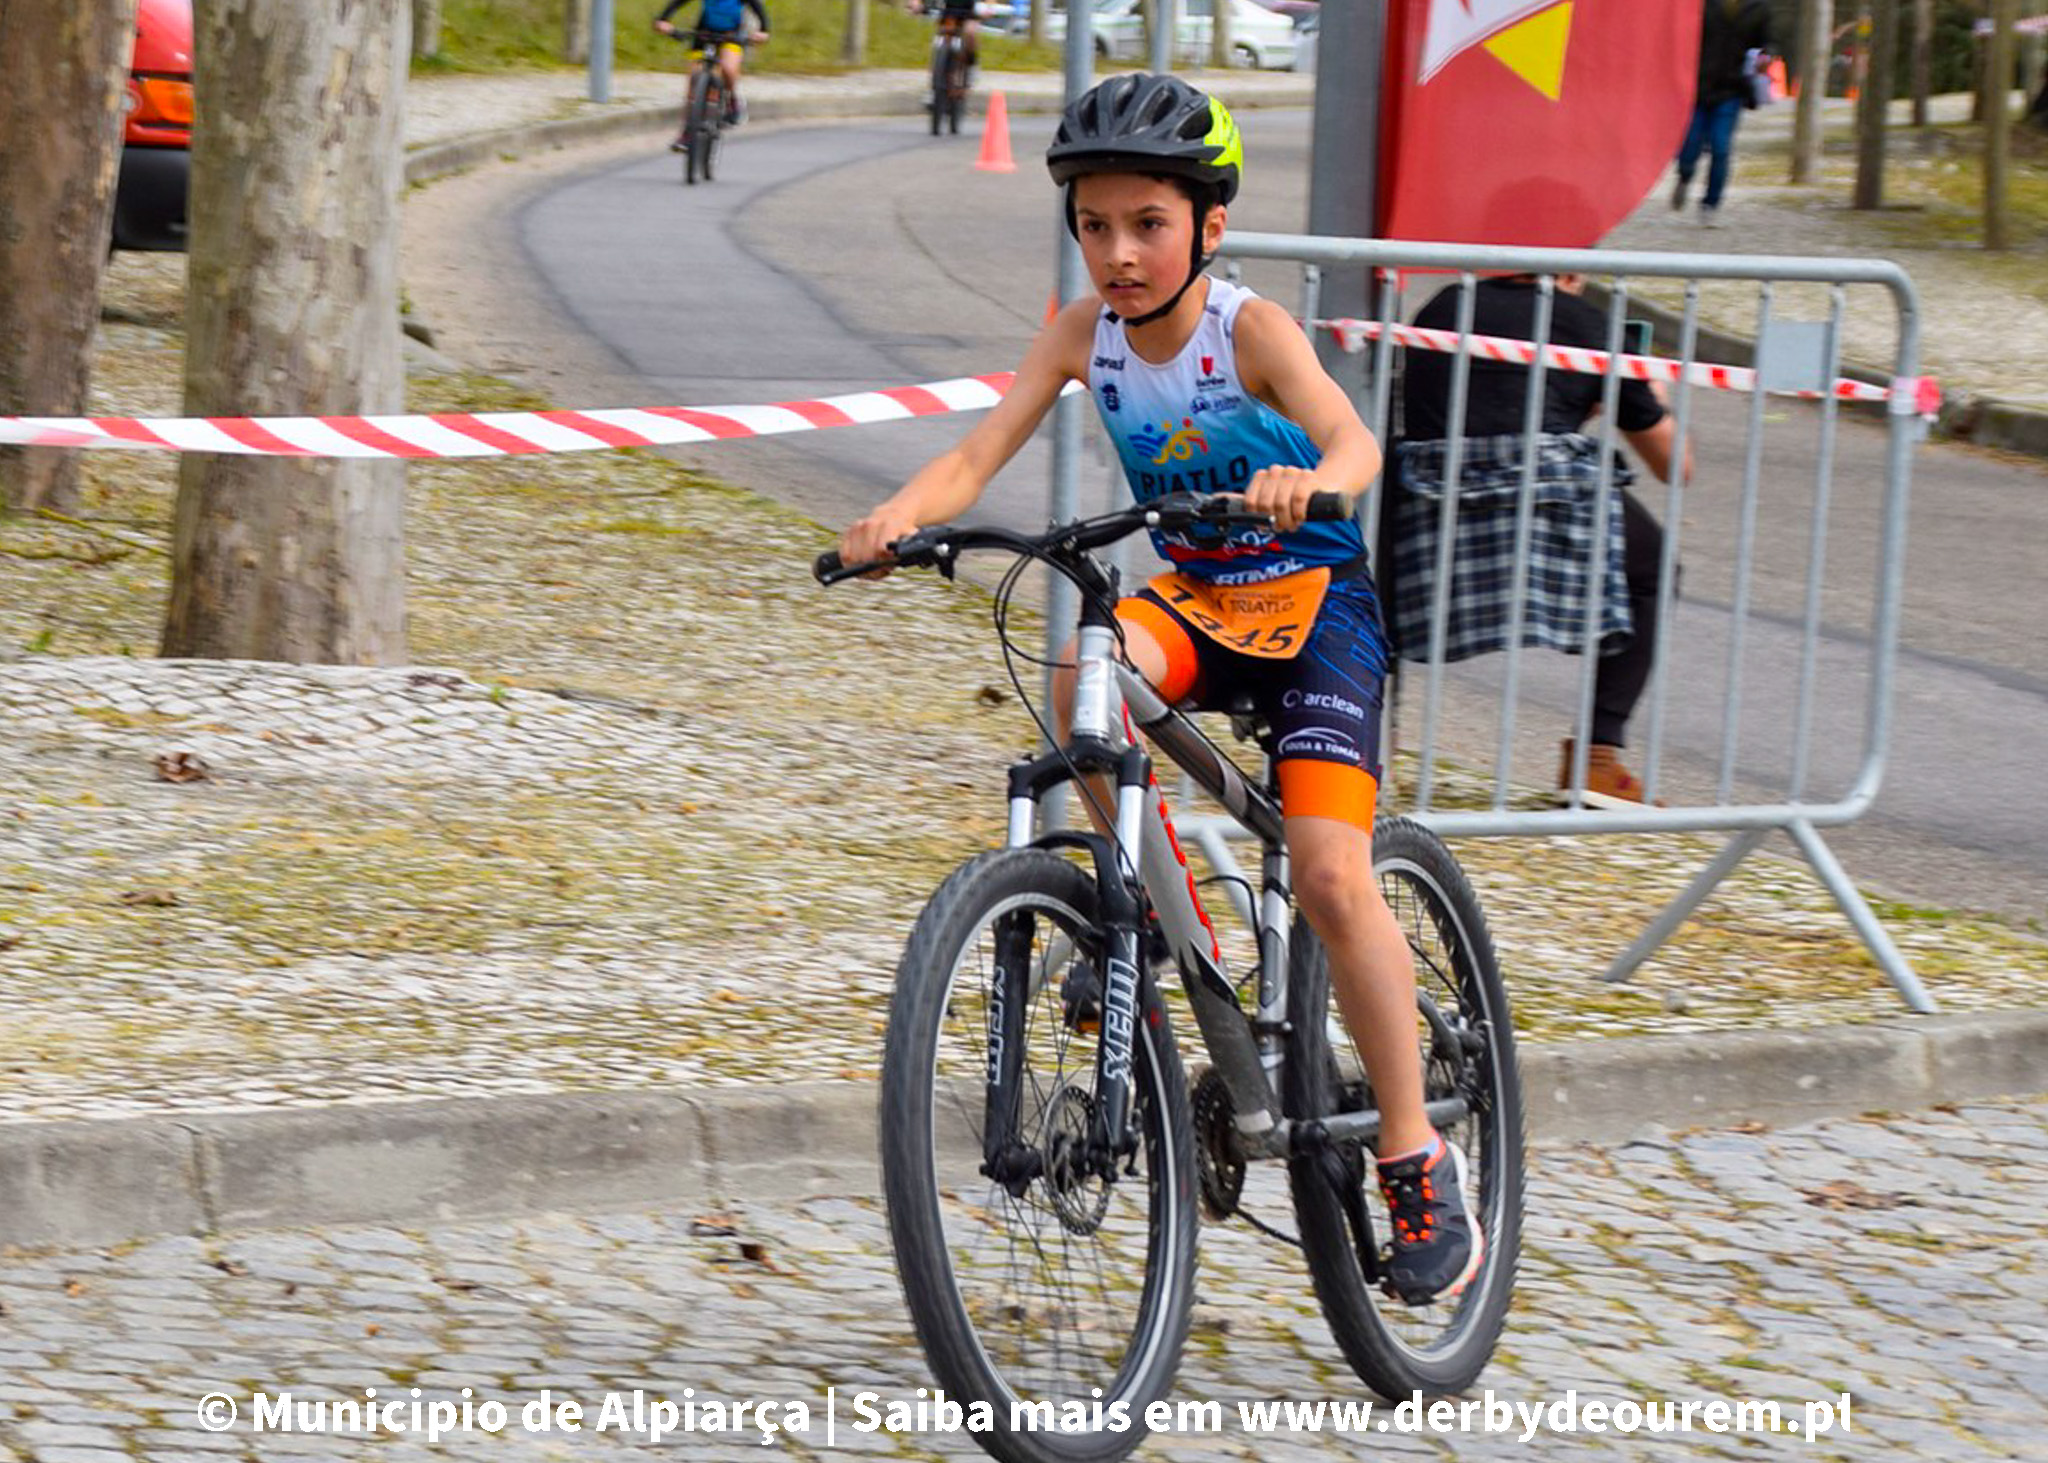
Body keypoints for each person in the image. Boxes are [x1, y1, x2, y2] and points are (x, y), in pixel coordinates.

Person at [836, 73, 1483, 1306]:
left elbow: (1352, 439)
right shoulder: (1080, 335)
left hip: (1315, 609)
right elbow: (977, 452)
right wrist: (894, 520)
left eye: (1147, 224)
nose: (1118, 253)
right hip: (1197, 598)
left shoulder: (1249, 332)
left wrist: (1313, 482)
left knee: (1330, 872)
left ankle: (1413, 1151)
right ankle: (1137, 912)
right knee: (1084, 674)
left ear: (1208, 225)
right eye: (1094, 226)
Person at [1394, 274, 1688, 807]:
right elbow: (1674, 465)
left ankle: (1363, 731)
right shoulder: (1593, 326)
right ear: (1571, 271)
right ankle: (1597, 755)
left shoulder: (1443, 306)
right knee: (1654, 568)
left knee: (1363, 573)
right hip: (1551, 510)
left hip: (1431, 510)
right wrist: (1653, 394)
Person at [1671, 0, 1774, 224]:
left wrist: (1765, 58)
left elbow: (1765, 43)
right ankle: (1685, 175)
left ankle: (1711, 204)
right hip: (1698, 87)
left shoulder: (1759, 8)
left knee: (1721, 148)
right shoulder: (1702, 5)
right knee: (1690, 144)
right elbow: (1684, 35)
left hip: (1732, 89)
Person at [654, 0, 769, 143]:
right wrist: (663, 20)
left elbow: (757, 8)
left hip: (731, 36)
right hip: (704, 34)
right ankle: (688, 131)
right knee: (693, 82)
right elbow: (678, 2)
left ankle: (732, 101)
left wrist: (763, 31)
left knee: (728, 67)